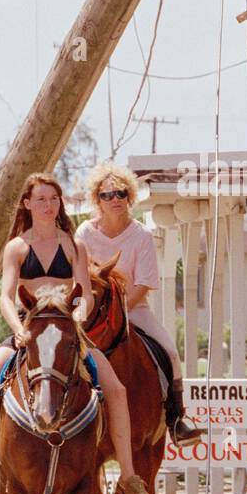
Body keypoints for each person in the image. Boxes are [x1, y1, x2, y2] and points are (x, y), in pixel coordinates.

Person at [0, 172, 153, 494]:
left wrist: (78, 318)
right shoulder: (16, 246)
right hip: (27, 332)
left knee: (116, 390)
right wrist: (18, 328)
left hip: (66, 333)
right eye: (41, 199)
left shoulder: (74, 244)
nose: (48, 205)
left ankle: (129, 478)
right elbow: (5, 296)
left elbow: (86, 295)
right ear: (28, 204)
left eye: (54, 199)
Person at [77, 162, 202, 444]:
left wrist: (117, 313)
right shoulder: (84, 233)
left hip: (133, 309)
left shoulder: (142, 235)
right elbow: (78, 277)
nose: (115, 200)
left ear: (130, 196)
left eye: (121, 193)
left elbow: (143, 284)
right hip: (92, 311)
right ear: (97, 199)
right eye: (107, 195)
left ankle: (176, 419)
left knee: (169, 351)